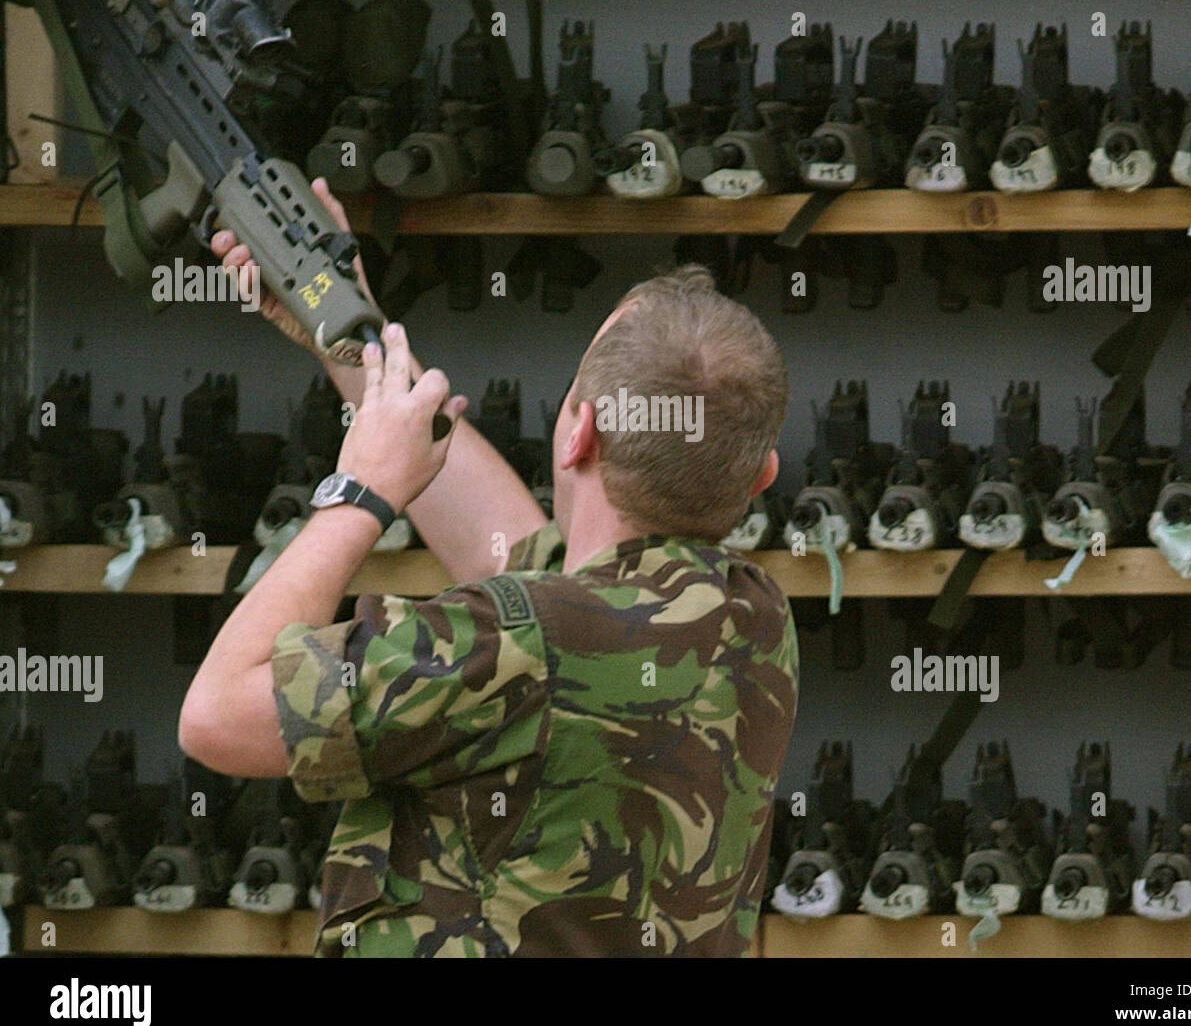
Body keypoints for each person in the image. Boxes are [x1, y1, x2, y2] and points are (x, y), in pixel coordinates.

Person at [179, 180, 799, 957]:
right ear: (761, 475)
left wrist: (359, 495)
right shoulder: (750, 614)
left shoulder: (513, 642)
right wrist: (348, 329)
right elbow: (510, 549)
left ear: (577, 438)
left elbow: (216, 716)